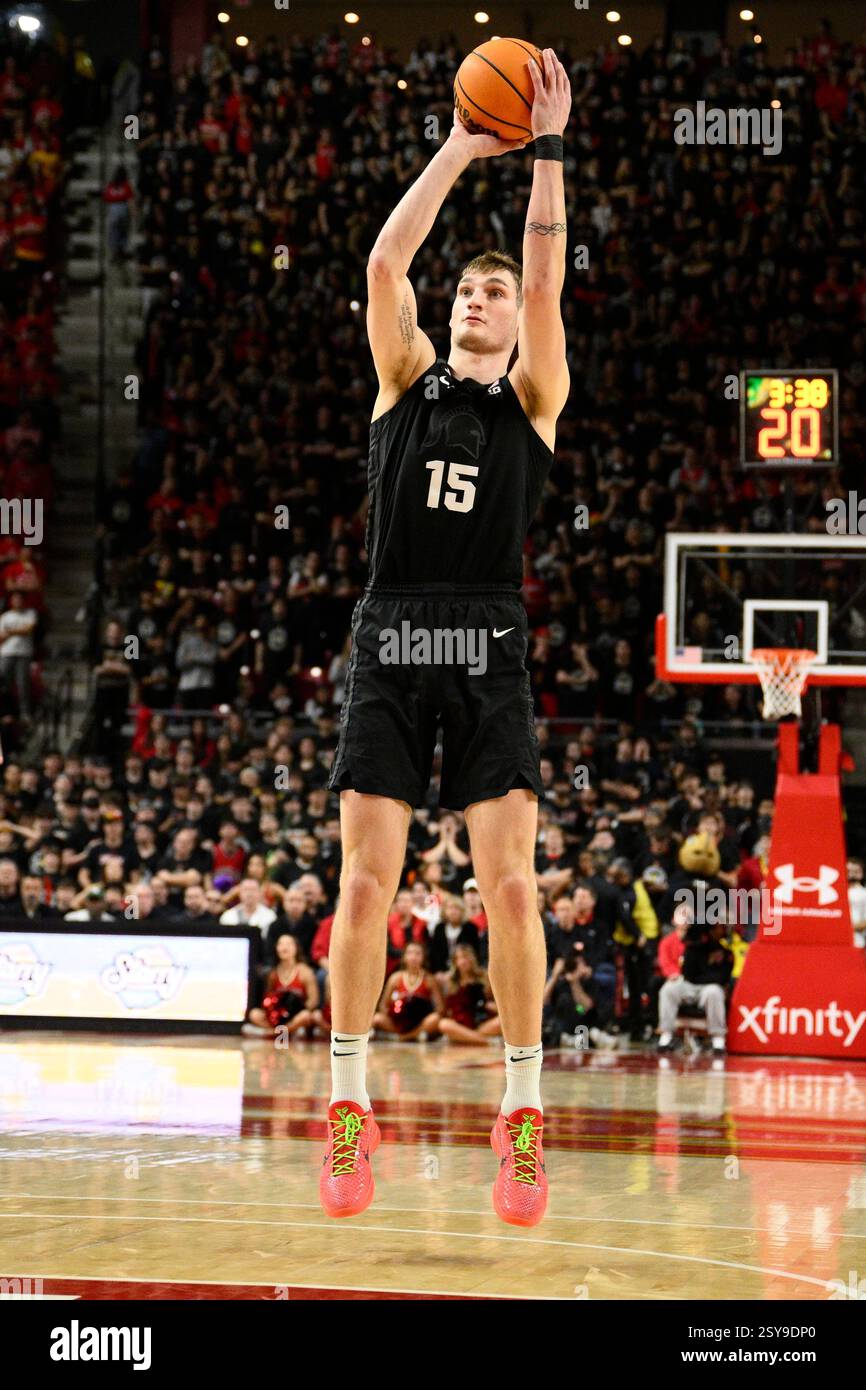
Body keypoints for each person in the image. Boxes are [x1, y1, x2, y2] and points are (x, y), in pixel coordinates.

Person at [320, 50, 572, 1228]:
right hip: (390, 630)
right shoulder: (403, 377)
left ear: (513, 321)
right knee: (363, 883)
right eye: (464, 292)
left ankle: (520, 1117)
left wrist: (547, 159)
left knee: (511, 892)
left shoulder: (530, 398)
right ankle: (347, 1106)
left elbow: (544, 267)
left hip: (486, 642)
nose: (476, 299)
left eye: (490, 294)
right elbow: (382, 261)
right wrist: (465, 144)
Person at [657, 916, 734, 1055]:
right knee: (668, 989)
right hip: (689, 986)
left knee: (714, 992)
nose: (720, 930)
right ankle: (666, 1035)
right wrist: (706, 976)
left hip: (709, 988)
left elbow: (721, 978)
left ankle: (718, 1039)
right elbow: (688, 975)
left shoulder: (727, 954)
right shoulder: (693, 949)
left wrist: (704, 977)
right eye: (717, 928)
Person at [243, 933, 319, 1038]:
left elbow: (313, 1000)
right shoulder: (273, 974)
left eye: (288, 944)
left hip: (296, 1016)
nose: (284, 947)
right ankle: (284, 1032)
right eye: (280, 944)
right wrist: (275, 1013)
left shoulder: (305, 971)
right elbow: (267, 998)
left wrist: (295, 1011)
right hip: (277, 1017)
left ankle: (273, 1033)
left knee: (306, 1016)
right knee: (254, 1014)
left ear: (296, 948)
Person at [372, 941, 443, 1040]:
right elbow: (383, 1005)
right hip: (398, 1021)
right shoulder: (396, 978)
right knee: (377, 1018)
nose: (413, 957)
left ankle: (406, 1036)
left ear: (423, 957)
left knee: (435, 1019)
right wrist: (396, 1006)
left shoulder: (429, 979)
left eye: (417, 953)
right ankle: (412, 1036)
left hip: (420, 1022)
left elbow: (440, 1008)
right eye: (410, 953)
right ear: (404, 957)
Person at [438, 943, 501, 1045]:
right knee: (443, 1024)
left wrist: (485, 1005)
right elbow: (447, 1010)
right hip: (460, 1024)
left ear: (472, 959)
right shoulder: (451, 981)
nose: (463, 962)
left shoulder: (484, 977)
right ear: (455, 962)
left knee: (501, 1021)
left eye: (466, 957)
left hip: (482, 1022)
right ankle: (486, 1041)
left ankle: (464, 1037)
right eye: (459, 958)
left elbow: (498, 1007)